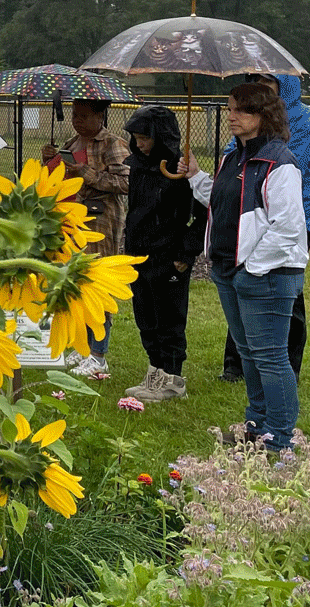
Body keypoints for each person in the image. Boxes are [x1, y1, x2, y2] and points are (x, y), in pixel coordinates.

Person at [180, 82, 307, 451]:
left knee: (270, 357)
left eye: (241, 110)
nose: (232, 116)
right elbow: (222, 200)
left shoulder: (278, 162)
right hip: (229, 271)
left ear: (262, 116)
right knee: (248, 352)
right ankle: (255, 426)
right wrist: (195, 177)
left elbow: (287, 227)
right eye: (231, 108)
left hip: (265, 277)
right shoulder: (233, 157)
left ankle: (278, 438)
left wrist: (251, 269)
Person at [220, 73, 310, 382]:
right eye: (254, 80)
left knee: (287, 297)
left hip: (289, 215)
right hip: (249, 213)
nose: (260, 86)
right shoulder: (249, 121)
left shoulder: (300, 117)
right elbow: (232, 154)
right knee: (240, 290)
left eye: (267, 82)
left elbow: (292, 159)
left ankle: (286, 365)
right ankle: (236, 365)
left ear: (282, 86)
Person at [121, 105, 205, 402]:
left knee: (169, 316)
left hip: (169, 254)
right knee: (146, 315)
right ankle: (155, 372)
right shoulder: (139, 166)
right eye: (136, 137)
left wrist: (187, 252)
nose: (140, 143)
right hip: (139, 252)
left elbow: (201, 214)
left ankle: (173, 378)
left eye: (145, 137)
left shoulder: (180, 170)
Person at [43, 98, 130, 378]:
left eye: (83, 116)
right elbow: (59, 182)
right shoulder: (71, 144)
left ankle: (98, 354)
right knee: (75, 283)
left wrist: (88, 174)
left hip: (102, 221)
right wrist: (50, 161)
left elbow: (127, 182)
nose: (77, 121)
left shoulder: (112, 144)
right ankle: (82, 348)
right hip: (73, 222)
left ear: (101, 116)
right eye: (74, 115)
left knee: (97, 284)